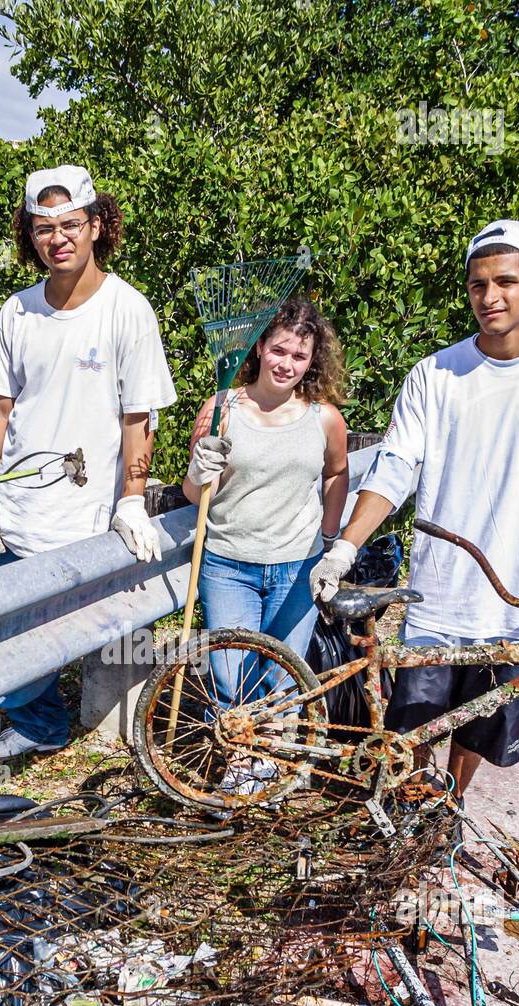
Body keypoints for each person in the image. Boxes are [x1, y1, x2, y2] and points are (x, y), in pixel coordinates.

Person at [310, 218, 519, 799]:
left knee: (484, 727)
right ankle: (401, 820)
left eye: (506, 282)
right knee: (414, 726)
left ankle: (449, 810)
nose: (490, 297)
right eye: (478, 285)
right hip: (439, 598)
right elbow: (395, 469)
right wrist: (344, 547)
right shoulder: (436, 375)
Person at [0, 164, 177, 762]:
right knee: (16, 625)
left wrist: (132, 498)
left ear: (96, 226)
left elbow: (138, 418)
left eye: (70, 224)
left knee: (55, 633)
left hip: (85, 513)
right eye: (42, 228)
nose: (57, 238)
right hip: (18, 506)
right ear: (29, 236)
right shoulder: (19, 311)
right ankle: (39, 724)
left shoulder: (127, 310)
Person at [182, 296, 349, 794]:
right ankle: (238, 763)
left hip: (297, 568)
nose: (286, 364)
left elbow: (338, 472)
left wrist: (329, 539)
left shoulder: (324, 418)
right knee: (231, 676)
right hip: (228, 563)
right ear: (259, 347)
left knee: (280, 678)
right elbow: (194, 493)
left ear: (311, 361)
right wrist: (198, 471)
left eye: (299, 357)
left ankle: (269, 763)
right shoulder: (221, 409)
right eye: (279, 351)